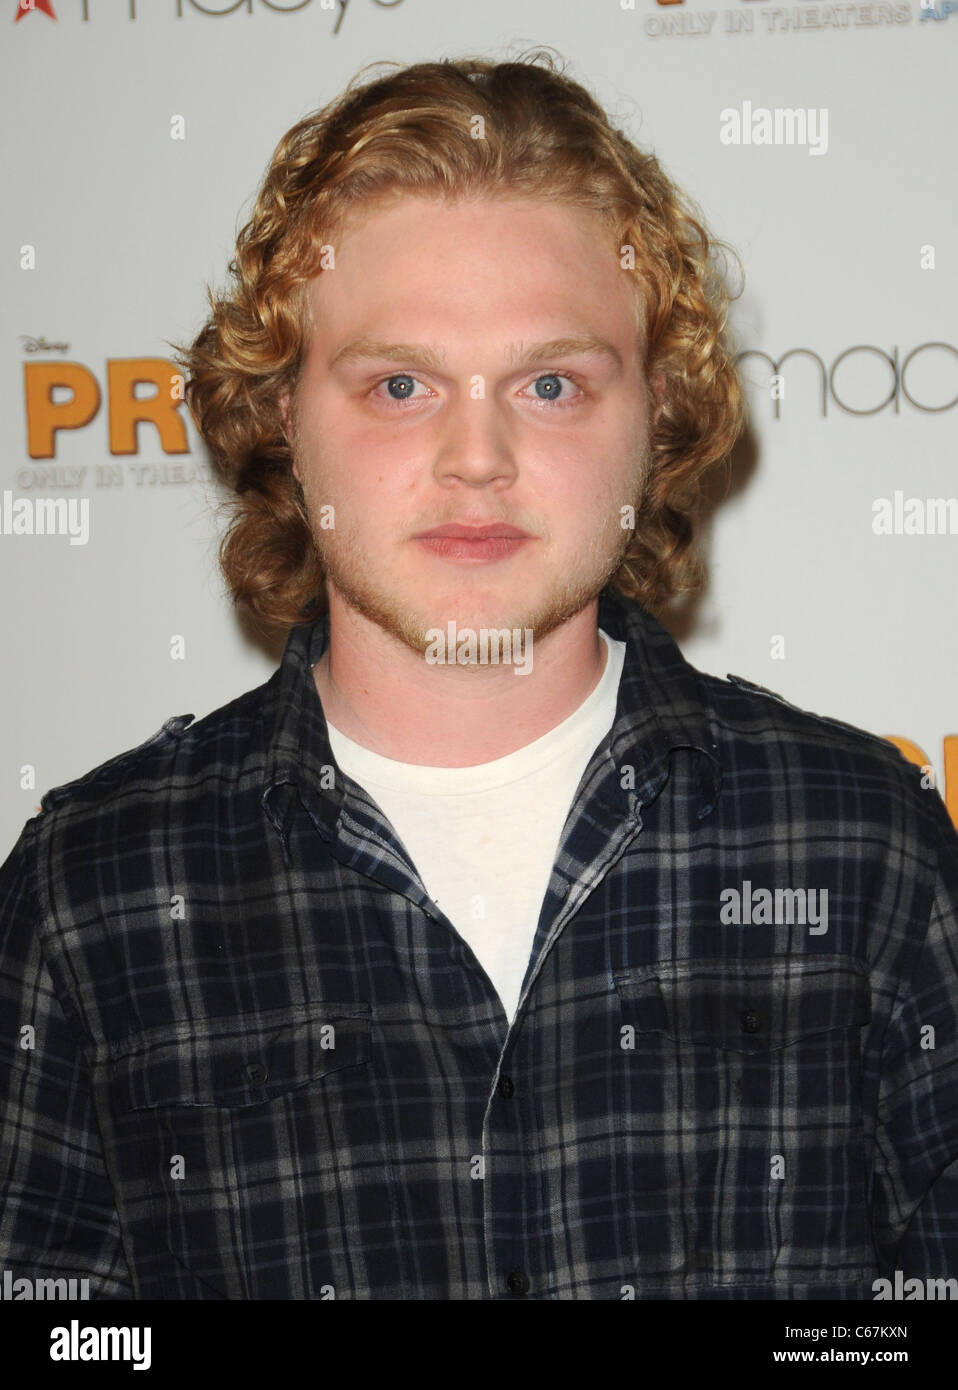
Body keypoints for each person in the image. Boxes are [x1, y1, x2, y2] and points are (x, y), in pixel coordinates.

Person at [2, 51, 957, 1302]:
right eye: (400, 385)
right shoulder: (90, 895)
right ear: (283, 417)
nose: (477, 458)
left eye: (549, 384)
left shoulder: (860, 844)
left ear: (657, 414)